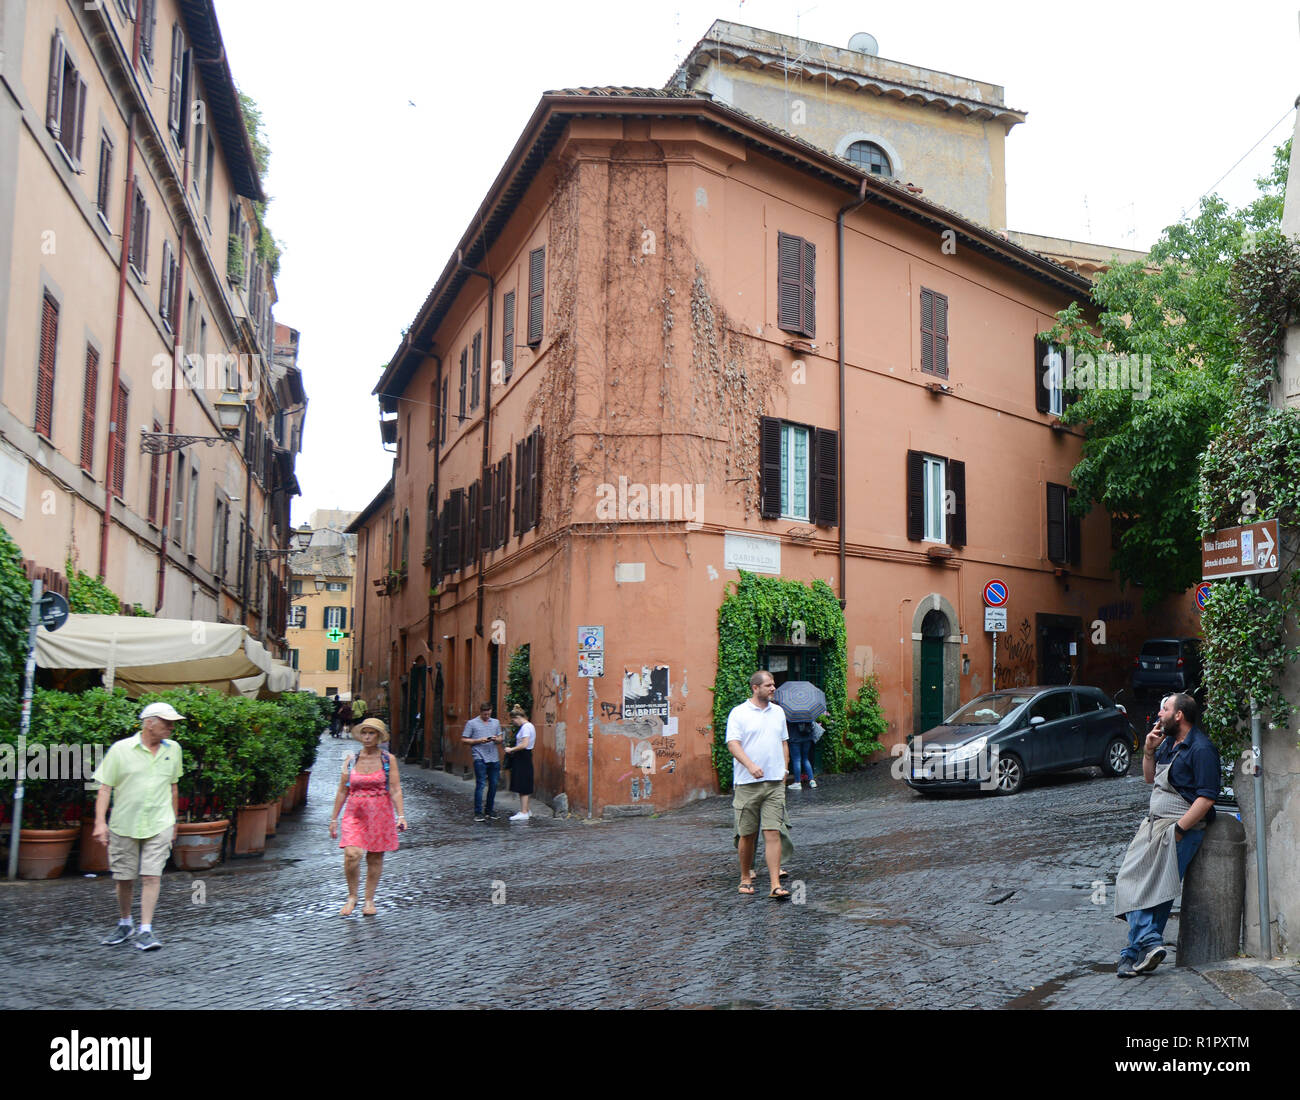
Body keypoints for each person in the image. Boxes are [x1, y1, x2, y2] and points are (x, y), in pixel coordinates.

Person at [1113, 692, 1220, 977]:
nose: (1159, 715)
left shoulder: (1202, 749)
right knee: (1135, 883)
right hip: (1153, 826)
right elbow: (1150, 779)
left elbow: (1207, 797)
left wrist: (1180, 830)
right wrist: (1148, 751)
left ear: (1179, 715)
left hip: (1178, 829)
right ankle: (1146, 946)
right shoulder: (1169, 743)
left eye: (1165, 710)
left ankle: (1132, 954)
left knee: (1151, 891)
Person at [92, 701, 185, 950]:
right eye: (167, 722)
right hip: (124, 823)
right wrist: (100, 823)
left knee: (151, 875)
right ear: (149, 723)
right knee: (124, 878)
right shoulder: (120, 750)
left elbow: (173, 787)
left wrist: (174, 822)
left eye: (173, 723)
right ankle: (125, 922)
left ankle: (146, 929)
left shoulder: (174, 749)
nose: (171, 727)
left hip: (160, 821)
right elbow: (104, 788)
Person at [329, 717, 406, 916]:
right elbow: (341, 791)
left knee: (375, 857)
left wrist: (401, 816)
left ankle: (369, 900)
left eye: (371, 733)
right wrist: (333, 819)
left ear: (379, 736)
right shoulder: (351, 759)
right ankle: (352, 896)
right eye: (364, 733)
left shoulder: (388, 760)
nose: (367, 737)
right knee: (352, 854)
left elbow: (395, 789)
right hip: (355, 812)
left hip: (380, 812)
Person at [725, 670, 791, 899]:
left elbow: (784, 743)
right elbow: (733, 744)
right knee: (747, 834)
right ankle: (745, 877)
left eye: (774, 685)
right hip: (747, 783)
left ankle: (775, 885)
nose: (773, 688)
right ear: (755, 687)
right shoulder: (739, 713)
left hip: (774, 783)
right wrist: (750, 765)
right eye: (769, 685)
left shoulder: (779, 712)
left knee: (773, 832)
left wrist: (784, 770)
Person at [462, 702, 504, 822]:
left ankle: (489, 810)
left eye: (489, 714)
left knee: (494, 784)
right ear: (480, 712)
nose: (487, 716)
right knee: (480, 785)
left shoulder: (495, 722)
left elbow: (501, 738)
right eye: (485, 714)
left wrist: (497, 739)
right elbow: (464, 740)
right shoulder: (472, 723)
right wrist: (478, 740)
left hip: (494, 757)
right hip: (479, 757)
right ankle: (478, 812)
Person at [505, 705, 536, 822]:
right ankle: (526, 810)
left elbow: (524, 744)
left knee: (523, 784)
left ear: (517, 717)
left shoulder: (526, 727)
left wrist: (511, 749)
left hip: (523, 756)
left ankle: (524, 812)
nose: (513, 723)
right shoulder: (528, 726)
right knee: (522, 783)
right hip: (524, 756)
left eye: (513, 720)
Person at [787, 719, 818, 790]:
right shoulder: (807, 711)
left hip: (794, 738)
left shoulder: (791, 713)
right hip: (807, 737)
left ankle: (797, 782)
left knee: (796, 760)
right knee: (805, 759)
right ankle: (812, 781)